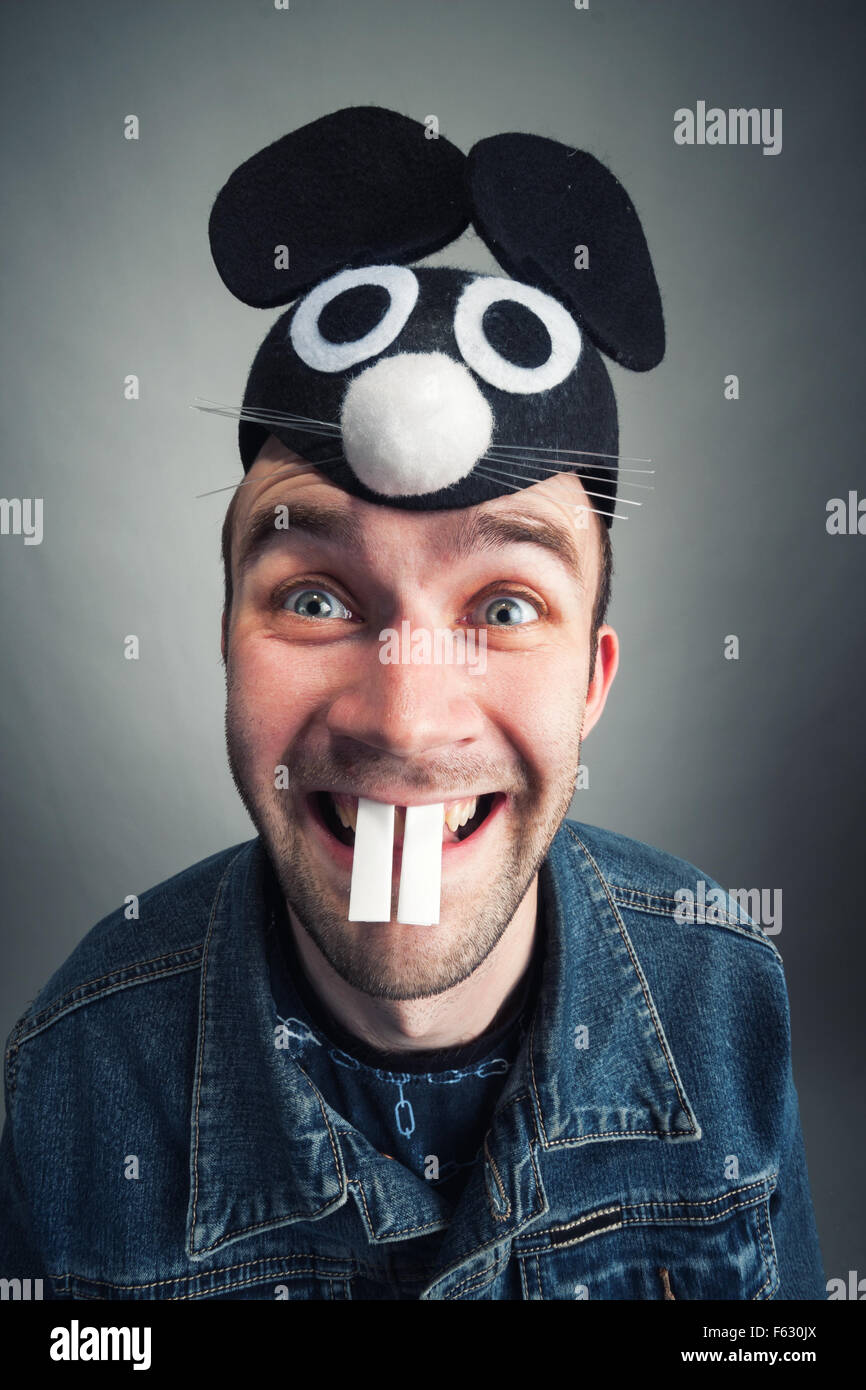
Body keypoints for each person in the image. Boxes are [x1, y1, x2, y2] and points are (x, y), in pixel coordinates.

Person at [0, 107, 825, 1300]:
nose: (402, 720)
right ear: (230, 645)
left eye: (501, 608)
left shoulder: (726, 996)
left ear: (590, 682)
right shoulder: (70, 1082)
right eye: (319, 601)